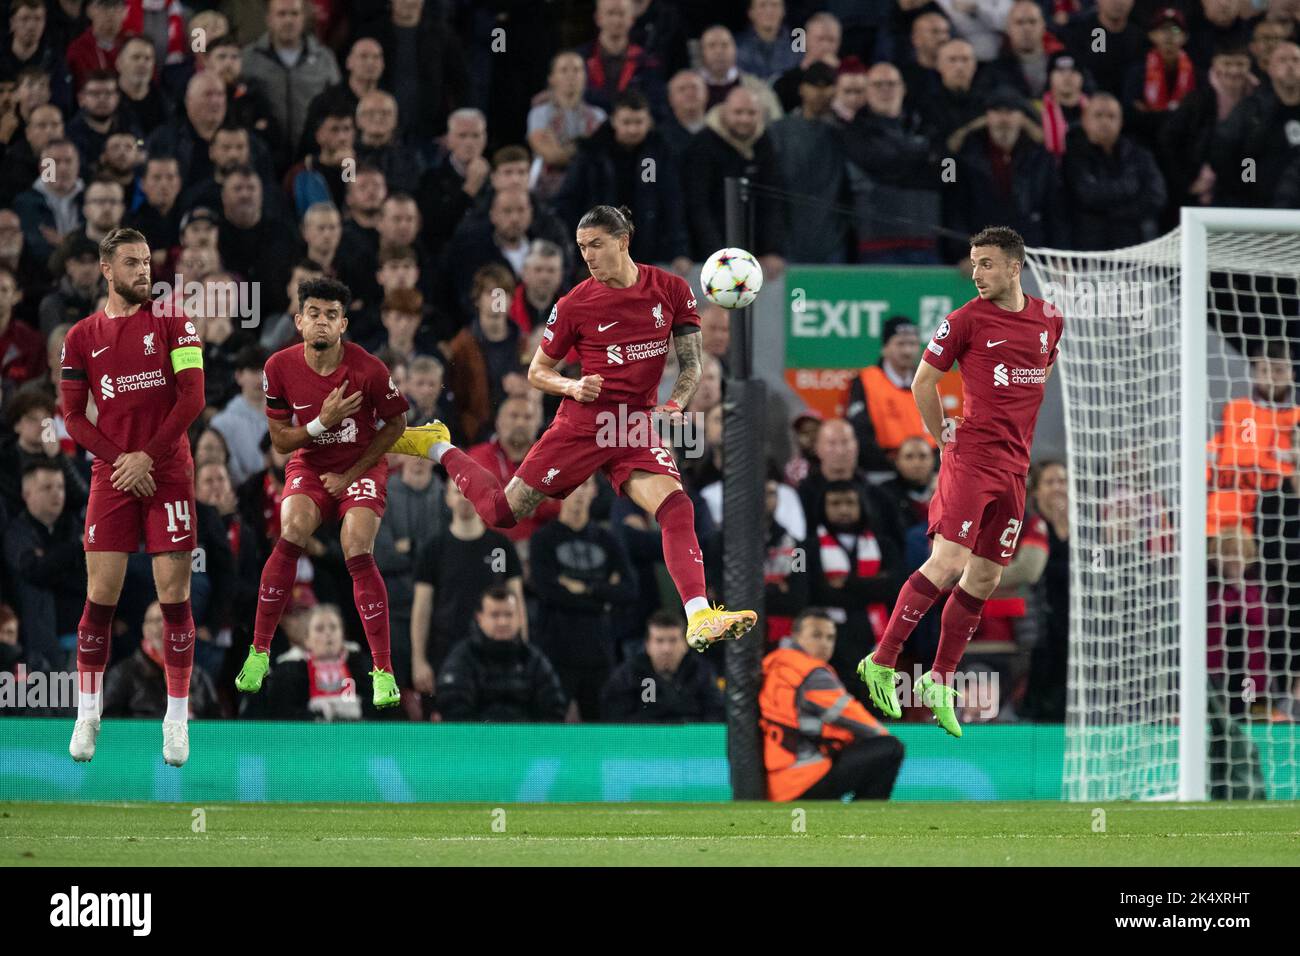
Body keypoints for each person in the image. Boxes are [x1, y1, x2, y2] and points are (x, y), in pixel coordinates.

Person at [391, 205, 758, 652]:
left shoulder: (672, 290)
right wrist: (572, 384)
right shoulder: (574, 304)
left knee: (677, 508)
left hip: (631, 425)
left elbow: (693, 363)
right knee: (502, 514)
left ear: (623, 241)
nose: (588, 256)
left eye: (597, 245)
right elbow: (536, 371)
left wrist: (677, 404)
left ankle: (699, 615)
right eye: (583, 248)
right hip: (582, 424)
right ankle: (439, 447)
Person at [858, 226, 1062, 738]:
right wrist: (941, 437)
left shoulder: (1049, 321)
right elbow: (922, 382)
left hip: (1015, 468)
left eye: (987, 264)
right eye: (973, 264)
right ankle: (882, 658)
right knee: (948, 561)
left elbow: (1040, 373)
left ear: (1015, 267)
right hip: (970, 459)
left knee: (987, 578)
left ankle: (939, 678)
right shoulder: (964, 321)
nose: (977, 274)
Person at [60, 227, 206, 767]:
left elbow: (193, 399)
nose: (144, 271)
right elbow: (73, 416)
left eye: (147, 261)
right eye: (131, 263)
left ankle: (175, 718)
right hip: (113, 476)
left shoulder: (176, 322)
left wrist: (147, 456)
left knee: (174, 600)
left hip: (168, 473)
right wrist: (122, 460)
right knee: (101, 599)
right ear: (106, 269)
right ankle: (88, 711)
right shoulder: (80, 337)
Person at [233, 276, 410, 711]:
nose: (322, 323)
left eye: (331, 315)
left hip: (359, 465)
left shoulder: (369, 369)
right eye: (314, 314)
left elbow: (397, 425)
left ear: (343, 324)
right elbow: (280, 442)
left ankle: (382, 669)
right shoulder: (278, 367)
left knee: (356, 546)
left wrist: (351, 475)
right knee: (290, 530)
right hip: (310, 464)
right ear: (299, 320)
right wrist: (321, 423)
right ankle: (259, 652)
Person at [760, 608, 903, 801]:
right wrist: (882, 735)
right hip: (804, 779)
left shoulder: (774, 663)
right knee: (890, 747)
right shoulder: (812, 673)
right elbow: (855, 718)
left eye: (830, 637)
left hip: (776, 783)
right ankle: (867, 817)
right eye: (816, 635)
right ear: (795, 636)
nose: (824, 644)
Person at [529, 476, 637, 719]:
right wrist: (603, 594)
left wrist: (584, 588)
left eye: (585, 485)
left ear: (594, 491)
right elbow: (548, 592)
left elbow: (629, 591)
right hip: (555, 651)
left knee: (599, 734)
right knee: (549, 729)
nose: (578, 493)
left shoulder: (608, 540)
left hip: (599, 651)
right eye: (572, 486)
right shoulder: (543, 539)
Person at [409, 479, 525, 700]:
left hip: (496, 650)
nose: (464, 497)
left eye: (470, 492)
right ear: (447, 498)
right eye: (457, 492)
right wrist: (419, 660)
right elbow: (422, 608)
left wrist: (523, 652)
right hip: (445, 649)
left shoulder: (502, 546)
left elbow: (517, 603)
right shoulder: (433, 549)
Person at [435, 586, 568, 723]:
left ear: (519, 618)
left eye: (509, 615)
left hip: (527, 741)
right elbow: (453, 707)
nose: (503, 622)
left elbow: (554, 708)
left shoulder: (533, 658)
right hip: (476, 740)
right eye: (495, 615)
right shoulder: (462, 657)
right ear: (479, 618)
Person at [600, 610, 724, 722]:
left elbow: (716, 712)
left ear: (685, 644)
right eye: (659, 641)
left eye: (673, 640)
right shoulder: (628, 674)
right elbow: (615, 716)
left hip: (691, 741)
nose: (666, 649)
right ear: (648, 645)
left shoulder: (701, 672)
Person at [103, 601, 220, 718]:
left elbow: (217, 726)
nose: (165, 626)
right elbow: (109, 725)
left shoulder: (199, 677)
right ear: (145, 629)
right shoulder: (123, 673)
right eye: (158, 620)